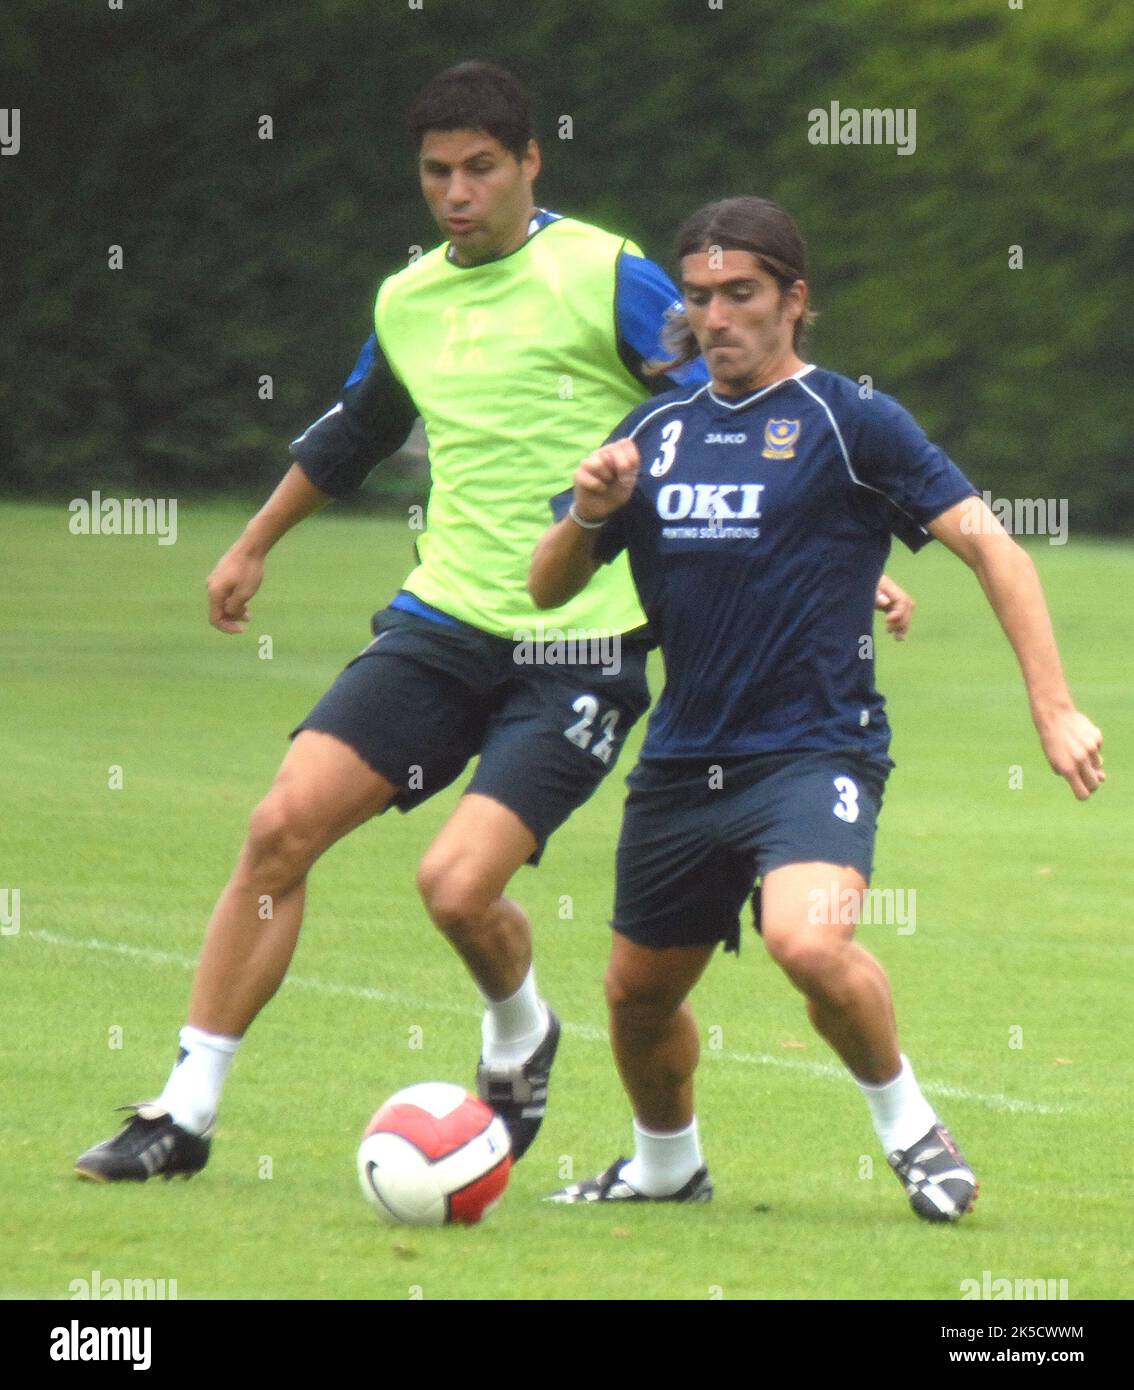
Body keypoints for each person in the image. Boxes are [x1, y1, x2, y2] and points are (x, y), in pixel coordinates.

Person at [75, 66, 911, 1183]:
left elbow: (735, 403)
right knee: (280, 828)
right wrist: (253, 542)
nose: (457, 192)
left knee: (458, 887)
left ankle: (518, 1028)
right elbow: (352, 431)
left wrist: (841, 568)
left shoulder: (608, 273)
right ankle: (185, 1109)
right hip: (441, 621)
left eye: (481, 168)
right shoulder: (407, 297)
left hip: (581, 640)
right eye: (436, 172)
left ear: (530, 164)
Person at [530, 196, 1104, 1221]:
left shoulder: (853, 421)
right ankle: (667, 1166)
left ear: (795, 300)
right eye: (700, 296)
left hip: (814, 752)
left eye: (741, 293)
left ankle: (911, 1129)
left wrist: (1053, 708)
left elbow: (994, 546)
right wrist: (588, 512)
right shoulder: (652, 431)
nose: (716, 317)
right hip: (682, 761)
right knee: (636, 996)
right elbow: (547, 588)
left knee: (807, 941)